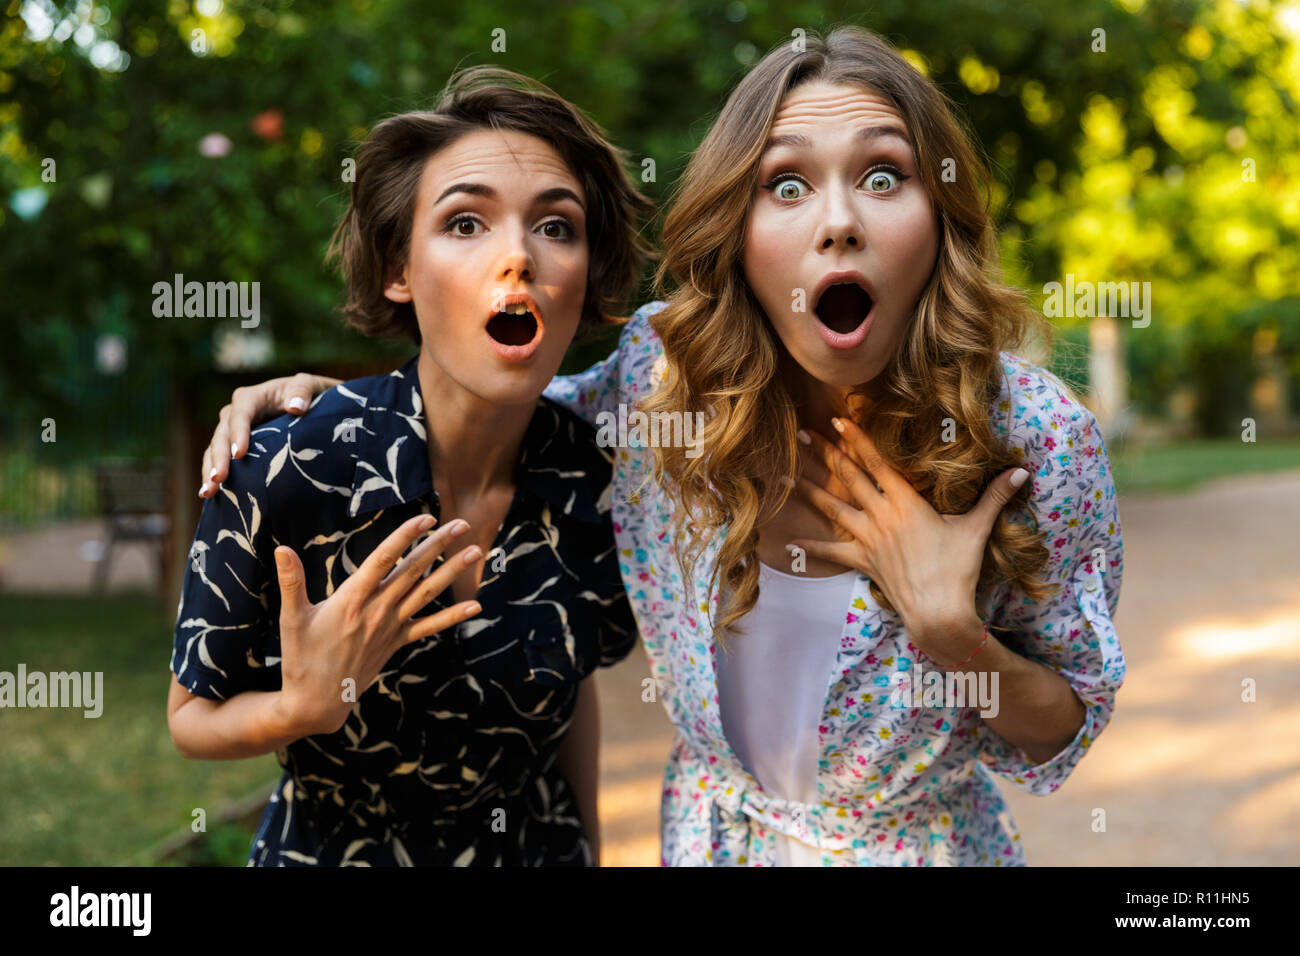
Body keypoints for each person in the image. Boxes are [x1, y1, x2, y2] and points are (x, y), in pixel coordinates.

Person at [199, 26, 1125, 866]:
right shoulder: (661, 381)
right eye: (787, 184)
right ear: (739, 228)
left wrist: (956, 637)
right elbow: (495, 400)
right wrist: (326, 407)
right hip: (709, 845)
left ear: (940, 217)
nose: (840, 220)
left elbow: (1064, 727)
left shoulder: (1032, 442)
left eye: (885, 176)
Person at [169, 66, 653, 866]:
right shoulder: (288, 467)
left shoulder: (599, 479)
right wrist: (301, 707)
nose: (518, 257)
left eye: (556, 227)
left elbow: (570, 699)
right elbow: (189, 719)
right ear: (400, 269)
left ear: (586, 278)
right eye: (466, 223)